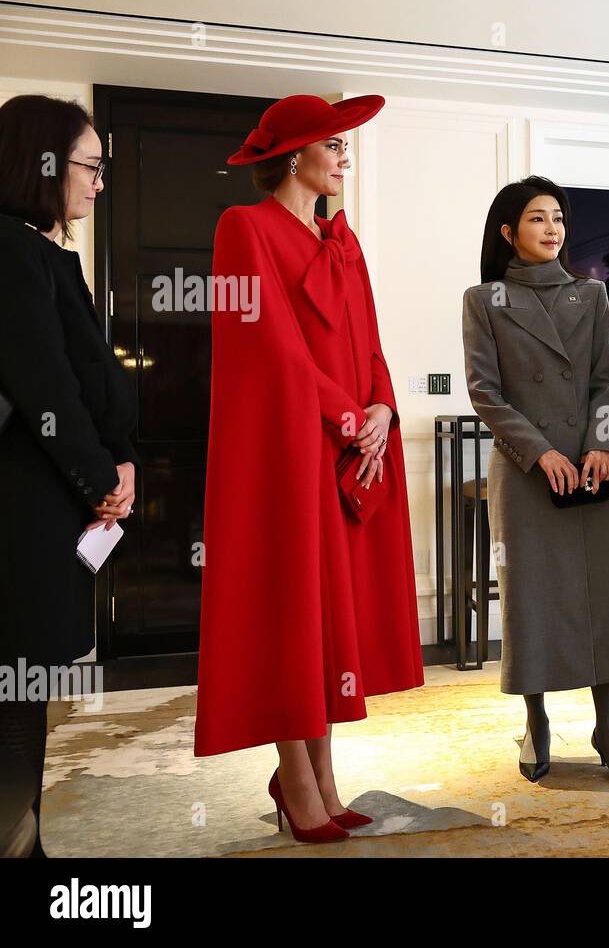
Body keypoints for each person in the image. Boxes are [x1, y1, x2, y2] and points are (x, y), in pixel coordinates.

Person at [194, 95, 425, 843]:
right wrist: (347, 416)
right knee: (291, 606)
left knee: (336, 613)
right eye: (333, 143)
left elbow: (371, 343)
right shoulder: (246, 228)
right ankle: (297, 776)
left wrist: (384, 408)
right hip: (293, 450)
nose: (344, 155)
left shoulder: (342, 239)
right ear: (294, 155)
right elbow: (269, 348)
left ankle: (325, 777)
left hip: (355, 448)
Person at [462, 176, 609, 785]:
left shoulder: (590, 295)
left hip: (590, 468)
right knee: (532, 597)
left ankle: (607, 725)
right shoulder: (483, 298)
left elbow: (602, 382)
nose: (553, 229)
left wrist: (600, 443)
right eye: (539, 218)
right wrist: (541, 454)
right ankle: (537, 721)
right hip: (526, 470)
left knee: (605, 595)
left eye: (559, 219)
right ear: (508, 231)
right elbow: (485, 393)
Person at [0, 95, 137, 858]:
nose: (98, 183)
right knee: (13, 695)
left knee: (25, 694)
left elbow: (90, 385)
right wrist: (100, 478)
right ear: (42, 163)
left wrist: (120, 462)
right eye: (90, 167)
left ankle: (27, 843)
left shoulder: (46, 253)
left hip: (52, 505)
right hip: (22, 514)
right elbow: (44, 387)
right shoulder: (12, 252)